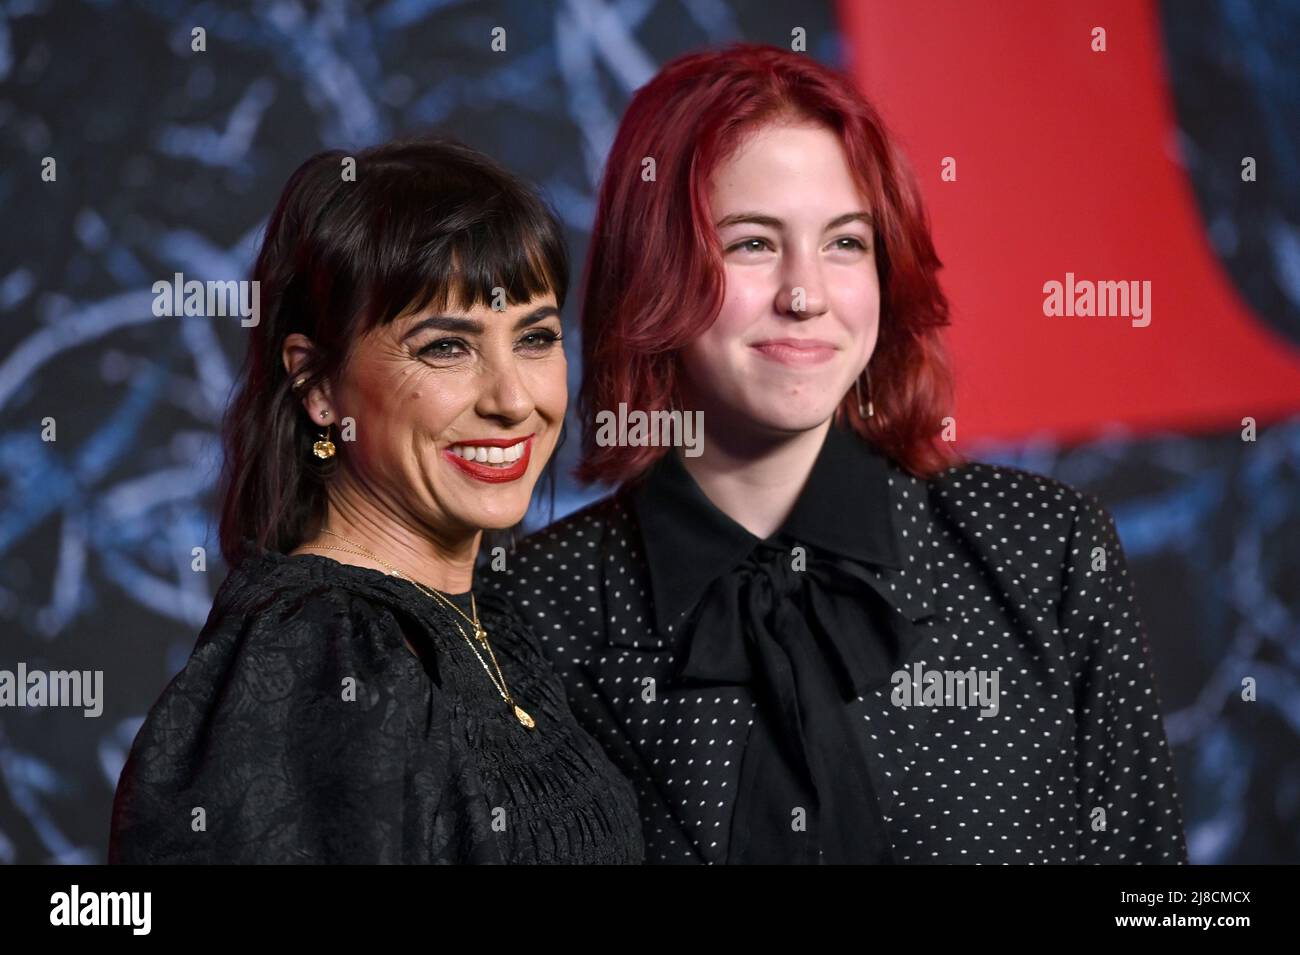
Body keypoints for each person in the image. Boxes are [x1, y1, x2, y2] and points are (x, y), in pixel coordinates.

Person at [487, 44, 1189, 864]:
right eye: (752, 243)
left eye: (845, 243)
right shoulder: (530, 612)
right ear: (656, 270)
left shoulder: (1046, 548)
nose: (805, 293)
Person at [108, 135, 644, 864]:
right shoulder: (320, 658)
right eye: (445, 347)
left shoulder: (486, 622)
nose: (514, 399)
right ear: (318, 385)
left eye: (535, 337)